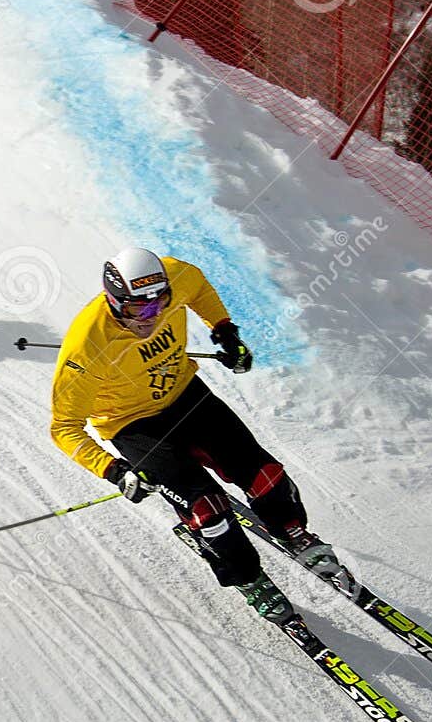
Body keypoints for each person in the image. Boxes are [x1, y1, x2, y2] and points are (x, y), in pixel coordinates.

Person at [50, 247, 351, 622]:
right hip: (133, 424)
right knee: (207, 508)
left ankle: (292, 529)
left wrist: (225, 331)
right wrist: (113, 470)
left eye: (159, 304)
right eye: (136, 310)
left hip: (186, 395)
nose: (151, 317)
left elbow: (200, 287)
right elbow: (64, 427)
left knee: (264, 473)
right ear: (113, 301)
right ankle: (247, 577)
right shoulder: (86, 346)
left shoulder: (176, 277)